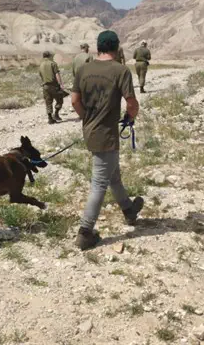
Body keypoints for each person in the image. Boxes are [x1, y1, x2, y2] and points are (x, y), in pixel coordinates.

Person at [71, 30, 145, 250]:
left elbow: (74, 101)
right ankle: (85, 232)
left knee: (113, 176)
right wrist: (130, 117)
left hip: (91, 131)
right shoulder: (120, 71)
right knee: (99, 184)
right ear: (116, 47)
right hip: (107, 134)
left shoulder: (83, 69)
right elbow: (132, 103)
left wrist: (87, 118)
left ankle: (129, 210)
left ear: (98, 47)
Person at [38, 51, 67, 124]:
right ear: (49, 56)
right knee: (60, 100)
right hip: (54, 86)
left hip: (45, 86)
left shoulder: (41, 65)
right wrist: (61, 84)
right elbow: (57, 74)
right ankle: (56, 114)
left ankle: (50, 118)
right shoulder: (53, 63)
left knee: (48, 102)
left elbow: (40, 75)